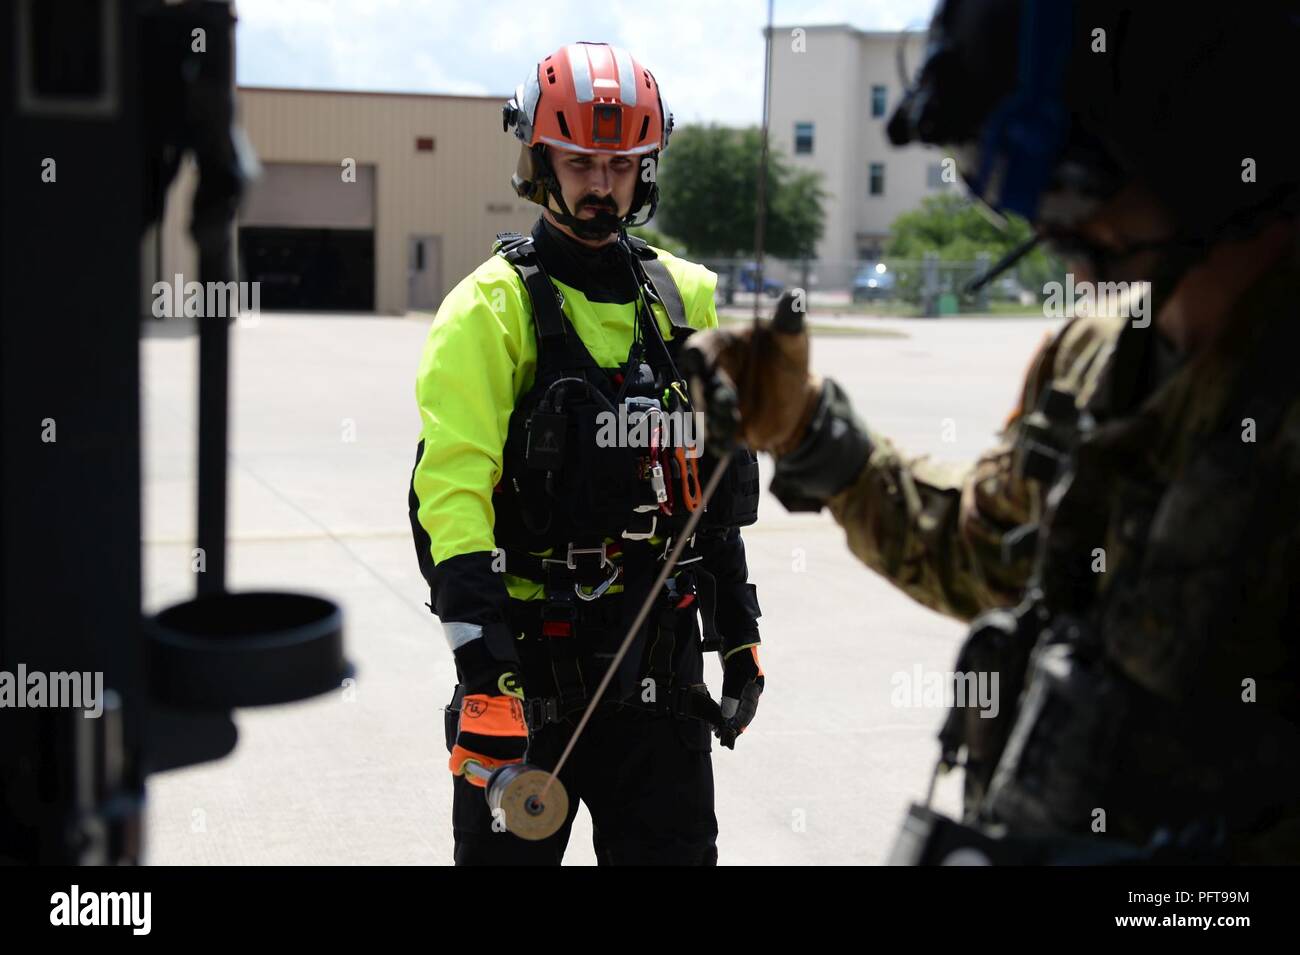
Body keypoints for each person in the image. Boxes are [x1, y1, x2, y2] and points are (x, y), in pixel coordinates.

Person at [683, 0, 1300, 862]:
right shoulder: (1094, 361)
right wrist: (814, 435)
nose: (1046, 227)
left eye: (1068, 182)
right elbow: (984, 552)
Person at [408, 42, 764, 865]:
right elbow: (452, 496)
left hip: (661, 674)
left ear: (645, 169)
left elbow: (707, 485)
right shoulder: (488, 312)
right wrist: (484, 677)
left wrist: (739, 632)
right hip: (529, 671)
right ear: (539, 162)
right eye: (579, 162)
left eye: (620, 164)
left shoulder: (688, 299)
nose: (601, 184)